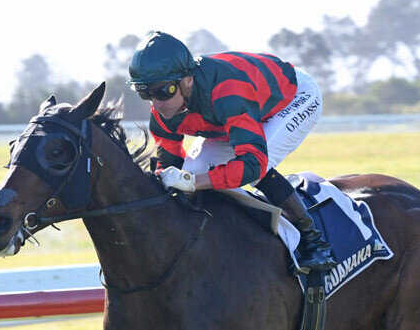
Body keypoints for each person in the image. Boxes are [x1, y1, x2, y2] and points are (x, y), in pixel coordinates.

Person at [127, 30, 336, 273]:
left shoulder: (228, 92)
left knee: (255, 168)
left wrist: (193, 182)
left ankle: (314, 240)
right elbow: (169, 165)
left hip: (292, 97)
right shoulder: (162, 113)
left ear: (187, 80)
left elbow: (252, 163)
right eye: (146, 93)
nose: (157, 103)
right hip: (239, 111)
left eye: (164, 91)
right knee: (193, 169)